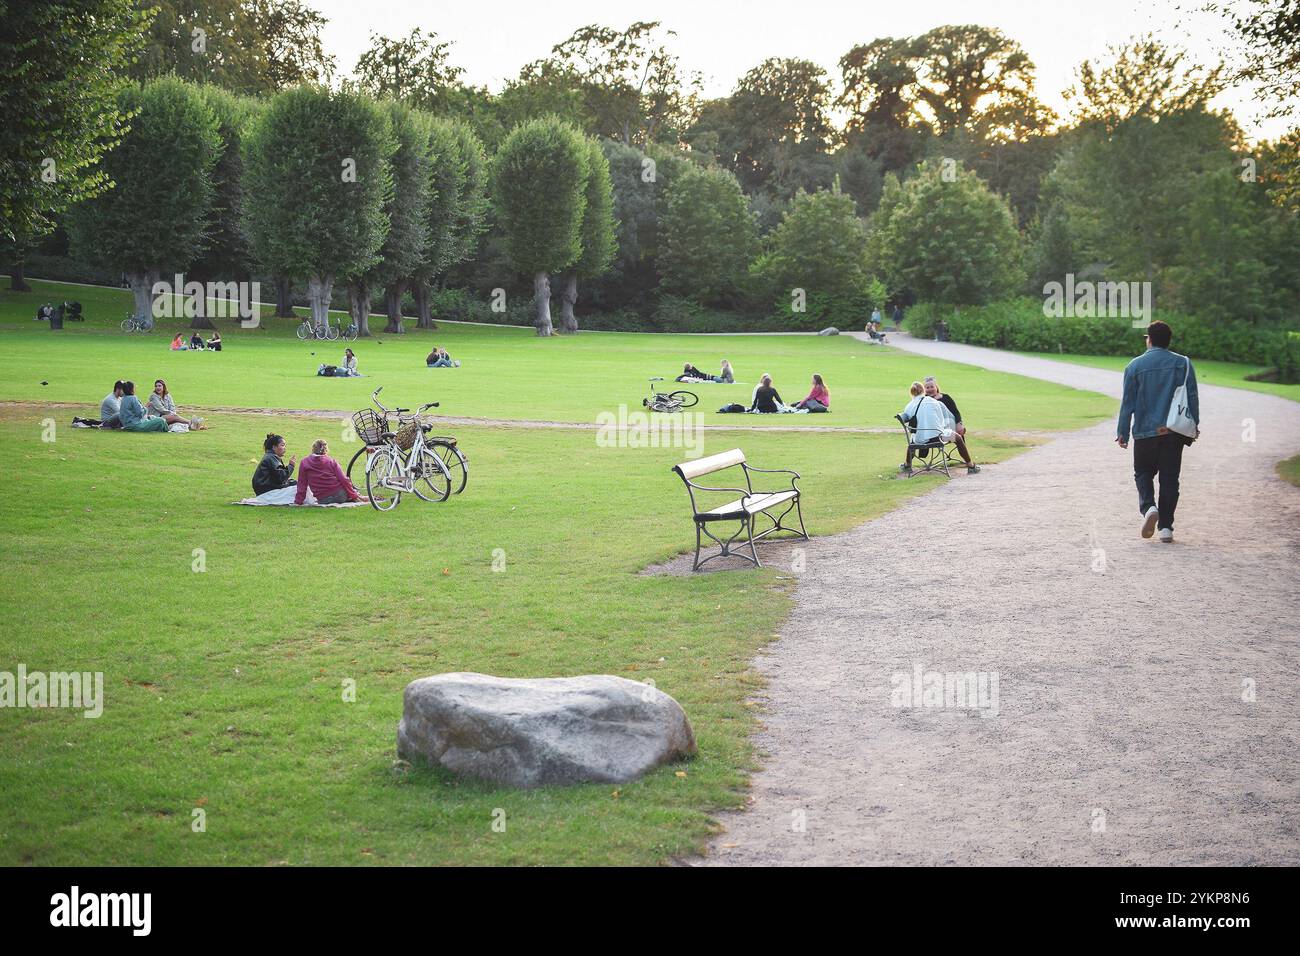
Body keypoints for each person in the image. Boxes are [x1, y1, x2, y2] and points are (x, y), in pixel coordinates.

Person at [1116, 320, 1199, 543]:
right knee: (1170, 479)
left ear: (1149, 339)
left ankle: (1149, 507)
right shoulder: (1183, 363)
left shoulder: (1134, 366)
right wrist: (1194, 426)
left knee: (1143, 473)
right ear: (1168, 340)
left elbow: (1127, 403)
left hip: (1145, 432)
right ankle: (1166, 528)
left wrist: (1122, 431)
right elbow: (1191, 398)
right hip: (1173, 432)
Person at [923, 376, 979, 474]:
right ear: (924, 390)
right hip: (934, 431)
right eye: (927, 388)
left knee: (959, 431)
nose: (930, 389)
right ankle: (970, 464)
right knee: (956, 436)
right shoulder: (924, 401)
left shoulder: (946, 397)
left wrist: (959, 423)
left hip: (949, 427)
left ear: (936, 387)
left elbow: (956, 412)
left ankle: (968, 462)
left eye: (932, 386)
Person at [899, 381, 953, 474]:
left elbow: (910, 428)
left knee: (913, 438)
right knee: (958, 438)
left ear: (911, 393)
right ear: (924, 390)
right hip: (937, 438)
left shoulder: (909, 406)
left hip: (918, 441)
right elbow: (941, 421)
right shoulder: (934, 402)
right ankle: (971, 465)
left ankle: (908, 465)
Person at [294, 439, 362, 505]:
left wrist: (298, 501)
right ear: (326, 449)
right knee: (352, 491)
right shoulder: (331, 461)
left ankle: (355, 497)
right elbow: (344, 479)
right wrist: (354, 495)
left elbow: (302, 484)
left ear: (313, 449)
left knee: (351, 493)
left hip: (323, 499)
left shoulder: (304, 462)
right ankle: (357, 497)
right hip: (340, 495)